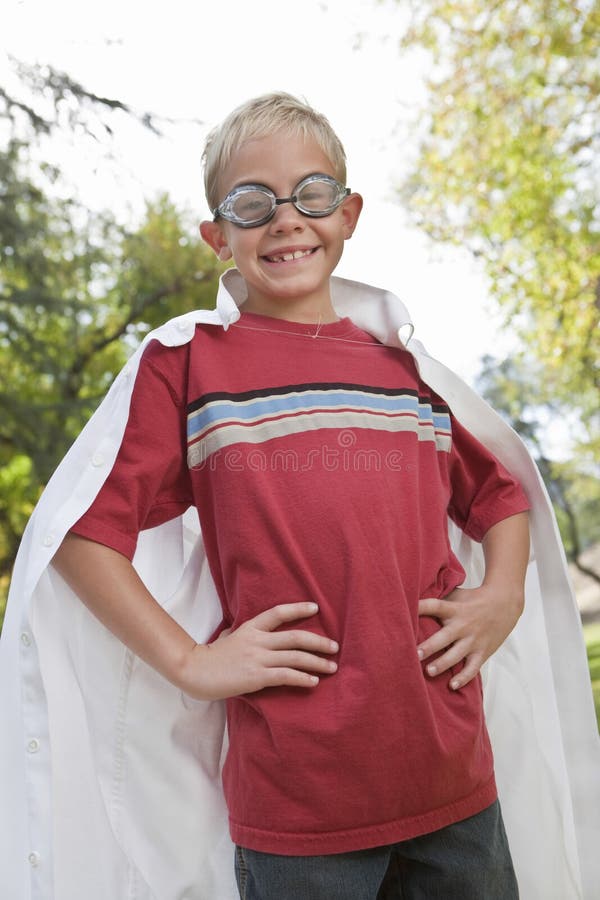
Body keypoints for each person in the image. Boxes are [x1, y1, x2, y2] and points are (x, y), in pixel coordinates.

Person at [1, 93, 599, 900]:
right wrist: (194, 662)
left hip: (457, 784)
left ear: (348, 214)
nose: (286, 220)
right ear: (217, 236)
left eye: (311, 195)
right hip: (297, 814)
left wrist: (501, 599)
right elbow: (80, 536)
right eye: (252, 204)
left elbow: (502, 498)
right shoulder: (190, 370)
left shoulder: (402, 374)